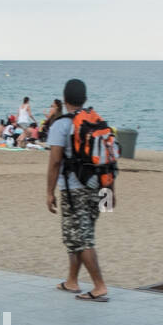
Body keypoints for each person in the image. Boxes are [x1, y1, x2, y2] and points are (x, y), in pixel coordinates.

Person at [46, 78, 106, 301]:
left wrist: (49, 192)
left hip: (74, 190)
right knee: (78, 236)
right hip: (99, 188)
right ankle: (72, 281)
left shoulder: (61, 124)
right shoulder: (96, 121)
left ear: (64, 99)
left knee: (81, 239)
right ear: (85, 99)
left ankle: (99, 286)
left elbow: (54, 162)